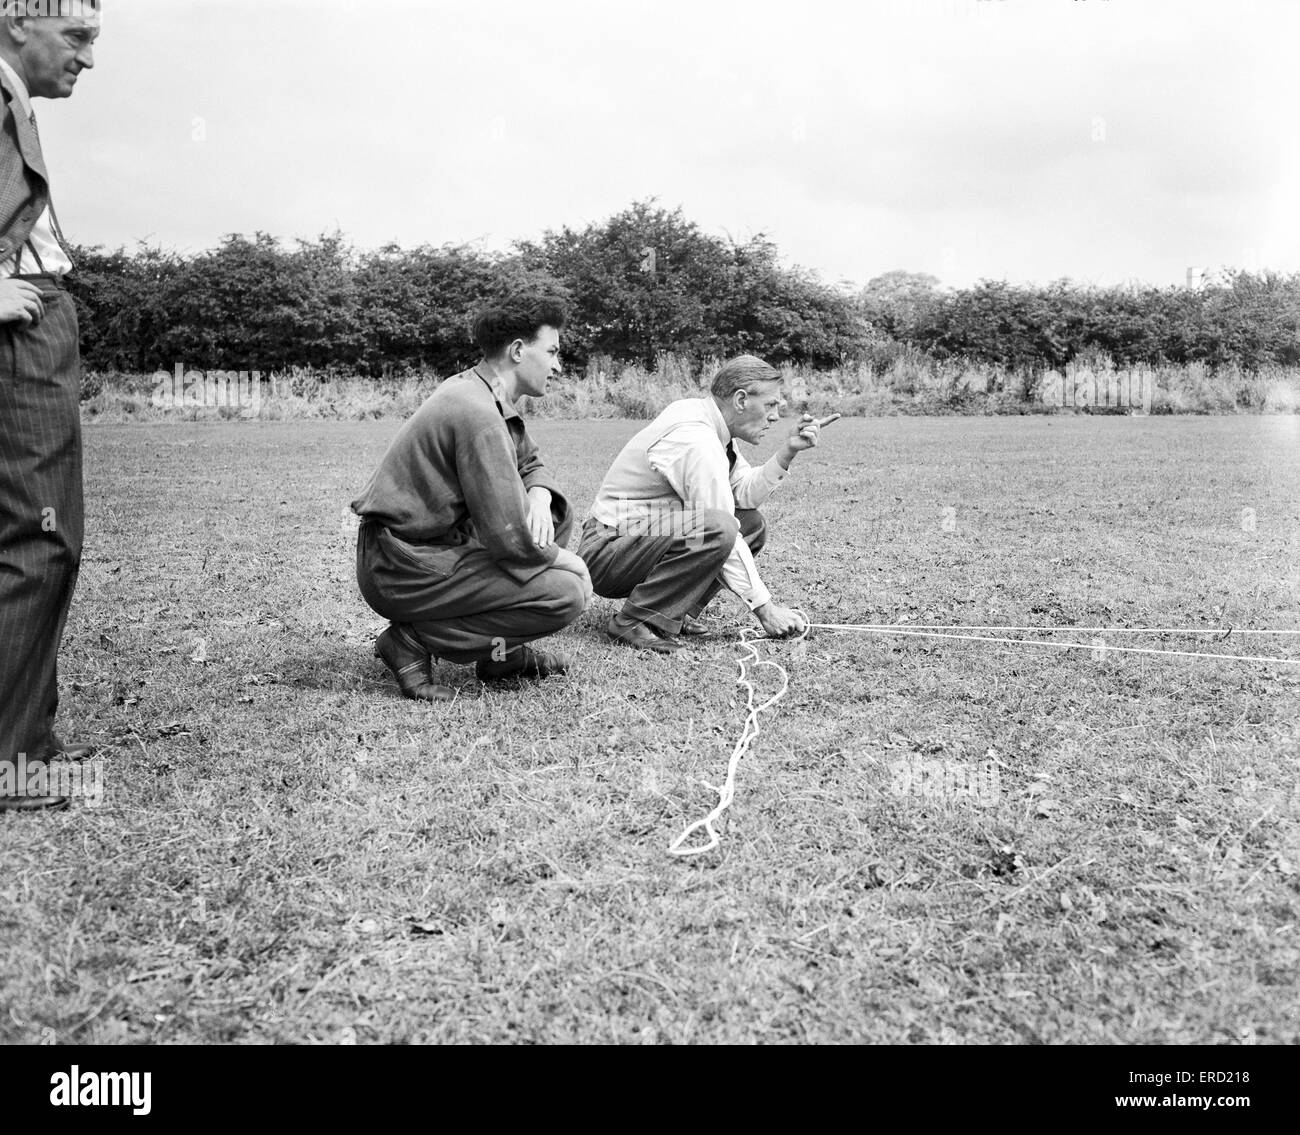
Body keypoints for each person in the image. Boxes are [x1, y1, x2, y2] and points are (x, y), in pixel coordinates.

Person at [353, 293, 592, 700]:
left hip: (431, 548)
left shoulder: (483, 392)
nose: (557, 365)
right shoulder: (477, 412)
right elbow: (509, 538)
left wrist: (537, 495)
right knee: (567, 592)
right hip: (404, 566)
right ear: (518, 351)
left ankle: (502, 655)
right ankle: (411, 641)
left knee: (553, 516)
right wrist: (569, 562)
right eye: (551, 352)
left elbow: (530, 461)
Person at [0, 1, 101, 815]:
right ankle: (15, 757)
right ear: (14, 18)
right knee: (42, 541)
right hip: (18, 334)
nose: (88, 58)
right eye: (77, 37)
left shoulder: (14, 102)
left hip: (35, 322)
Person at [579, 354, 836, 653]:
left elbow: (743, 494)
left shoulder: (712, 424)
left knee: (752, 524)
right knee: (721, 526)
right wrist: (766, 610)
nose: (776, 416)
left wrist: (788, 451)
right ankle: (635, 621)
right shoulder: (697, 440)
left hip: (633, 540)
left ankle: (674, 612)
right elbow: (720, 523)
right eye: (770, 405)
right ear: (741, 400)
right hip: (607, 549)